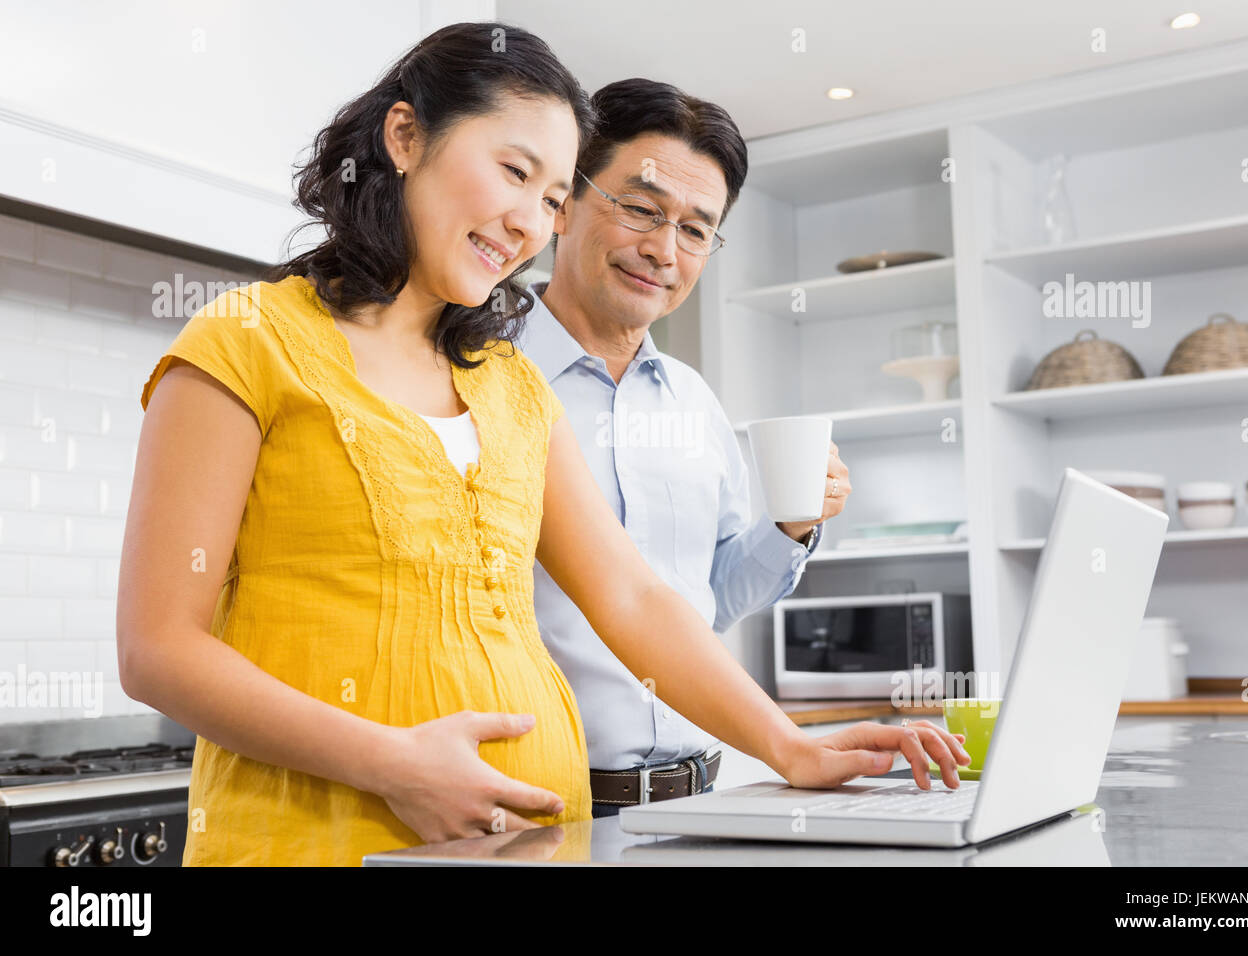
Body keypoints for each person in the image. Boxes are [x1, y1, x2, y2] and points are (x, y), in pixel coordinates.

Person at [118, 22, 969, 867]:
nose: (529, 221)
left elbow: (632, 601)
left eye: (554, 197)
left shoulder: (508, 384)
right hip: (316, 844)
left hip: (533, 846)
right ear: (406, 136)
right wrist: (395, 765)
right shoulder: (247, 341)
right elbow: (158, 649)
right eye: (514, 172)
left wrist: (791, 747)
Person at [515, 79, 858, 816]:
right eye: (640, 208)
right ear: (565, 202)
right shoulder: (481, 373)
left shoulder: (694, 403)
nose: (663, 250)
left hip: (696, 799)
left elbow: (708, 602)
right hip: (542, 806)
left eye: (696, 230)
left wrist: (791, 529)